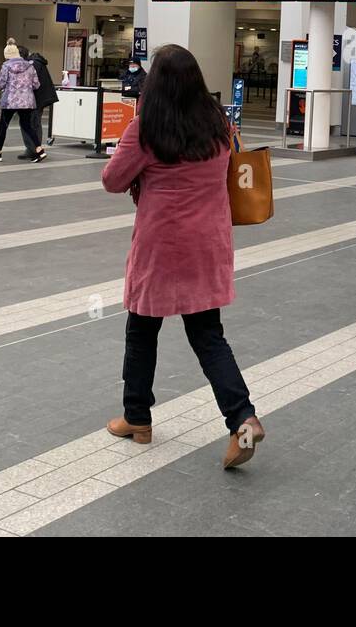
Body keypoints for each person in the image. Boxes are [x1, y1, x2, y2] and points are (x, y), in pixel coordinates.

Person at [100, 44, 264, 468]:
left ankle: (137, 417)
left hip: (161, 245)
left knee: (141, 332)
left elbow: (113, 181)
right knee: (209, 337)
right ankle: (242, 418)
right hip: (207, 244)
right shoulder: (218, 126)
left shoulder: (146, 128)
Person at [0, 38, 45, 163]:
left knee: (3, 126)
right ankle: (40, 150)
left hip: (10, 101)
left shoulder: (6, 66)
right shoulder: (30, 66)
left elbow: (0, 84)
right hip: (26, 101)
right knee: (28, 126)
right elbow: (36, 84)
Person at [17, 45, 58, 160]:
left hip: (35, 100)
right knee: (28, 123)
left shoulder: (33, 65)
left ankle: (34, 150)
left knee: (33, 123)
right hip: (33, 99)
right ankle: (31, 149)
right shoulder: (33, 63)